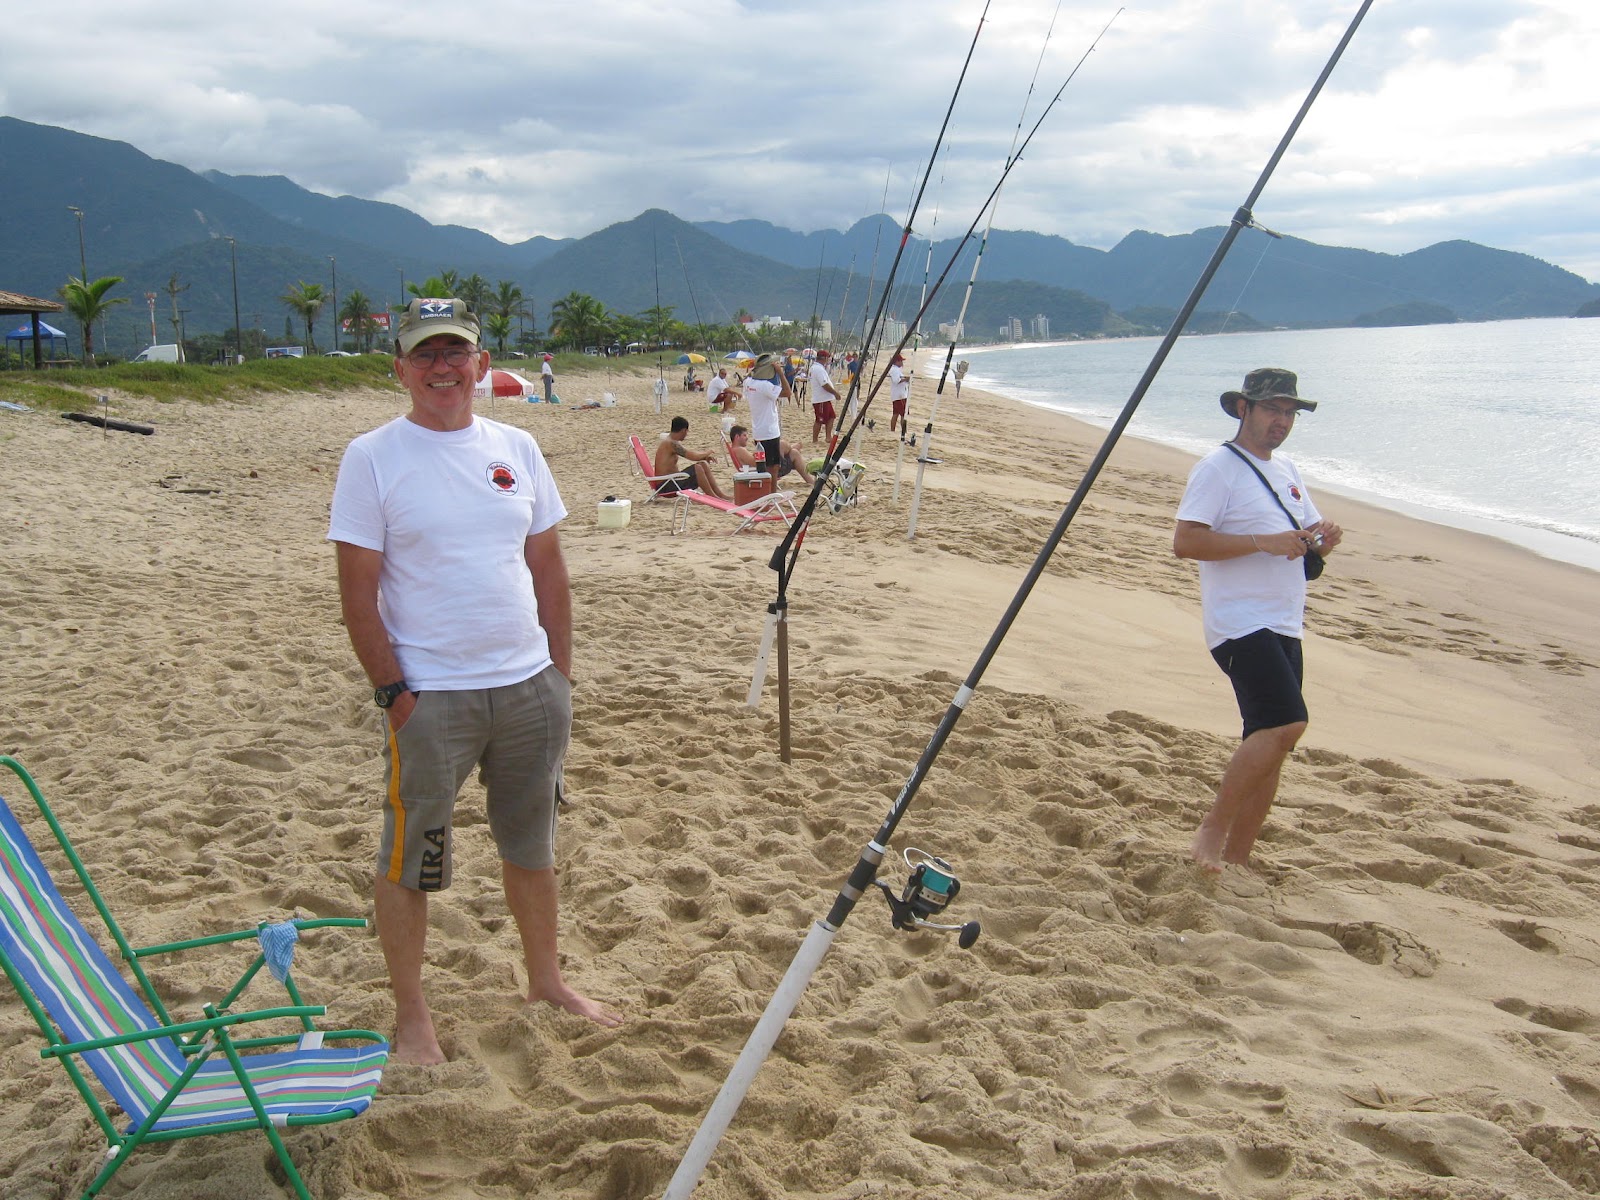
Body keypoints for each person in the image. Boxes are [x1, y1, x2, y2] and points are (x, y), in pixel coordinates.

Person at [328, 297, 622, 1063]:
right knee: (411, 859)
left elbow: (548, 565)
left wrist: (560, 675)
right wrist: (394, 695)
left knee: (532, 846)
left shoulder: (518, 447)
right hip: (431, 697)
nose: (442, 368)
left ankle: (546, 981)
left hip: (529, 688)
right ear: (400, 369)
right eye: (425, 354)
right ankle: (414, 1016)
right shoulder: (372, 457)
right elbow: (357, 591)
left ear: (482, 365)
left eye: (455, 352)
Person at [1173, 368, 1343, 873]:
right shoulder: (1217, 468)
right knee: (1286, 721)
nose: (1282, 421)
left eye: (1290, 412)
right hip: (1240, 622)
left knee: (1272, 740)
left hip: (1286, 620)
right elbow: (1186, 542)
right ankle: (1210, 831)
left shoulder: (1286, 468)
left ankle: (1240, 857)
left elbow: (1301, 530)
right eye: (1272, 410)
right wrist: (1262, 543)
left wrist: (1321, 536)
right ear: (1243, 408)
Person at [743, 352, 794, 491]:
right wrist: (780, 374)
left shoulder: (748, 382)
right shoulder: (764, 386)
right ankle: (770, 493)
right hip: (770, 431)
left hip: (758, 430)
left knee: (763, 464)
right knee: (773, 466)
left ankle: (764, 492)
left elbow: (749, 378)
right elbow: (787, 392)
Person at [653, 414, 730, 499]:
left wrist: (704, 458)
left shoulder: (670, 442)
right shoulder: (670, 443)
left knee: (703, 464)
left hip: (672, 481)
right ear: (683, 431)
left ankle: (720, 495)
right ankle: (712, 497)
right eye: (686, 432)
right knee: (698, 468)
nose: (686, 434)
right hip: (666, 486)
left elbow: (693, 456)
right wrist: (708, 452)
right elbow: (692, 456)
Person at [729, 423, 813, 485]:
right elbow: (755, 462)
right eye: (744, 435)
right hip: (769, 469)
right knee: (782, 444)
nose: (747, 438)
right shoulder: (739, 450)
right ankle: (793, 447)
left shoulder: (737, 449)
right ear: (737, 437)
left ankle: (811, 482)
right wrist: (760, 451)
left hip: (767, 467)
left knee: (794, 453)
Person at [806, 349, 842, 445]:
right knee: (820, 419)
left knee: (831, 416)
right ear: (824, 358)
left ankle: (828, 437)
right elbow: (824, 384)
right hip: (821, 399)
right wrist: (835, 393)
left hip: (825, 398)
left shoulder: (818, 368)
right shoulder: (818, 369)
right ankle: (815, 440)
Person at [887, 352, 911, 434]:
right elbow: (896, 380)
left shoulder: (896, 369)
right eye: (901, 361)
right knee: (903, 415)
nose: (902, 363)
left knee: (896, 413)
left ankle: (893, 430)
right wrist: (906, 379)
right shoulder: (894, 370)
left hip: (899, 395)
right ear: (897, 361)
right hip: (899, 396)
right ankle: (903, 432)